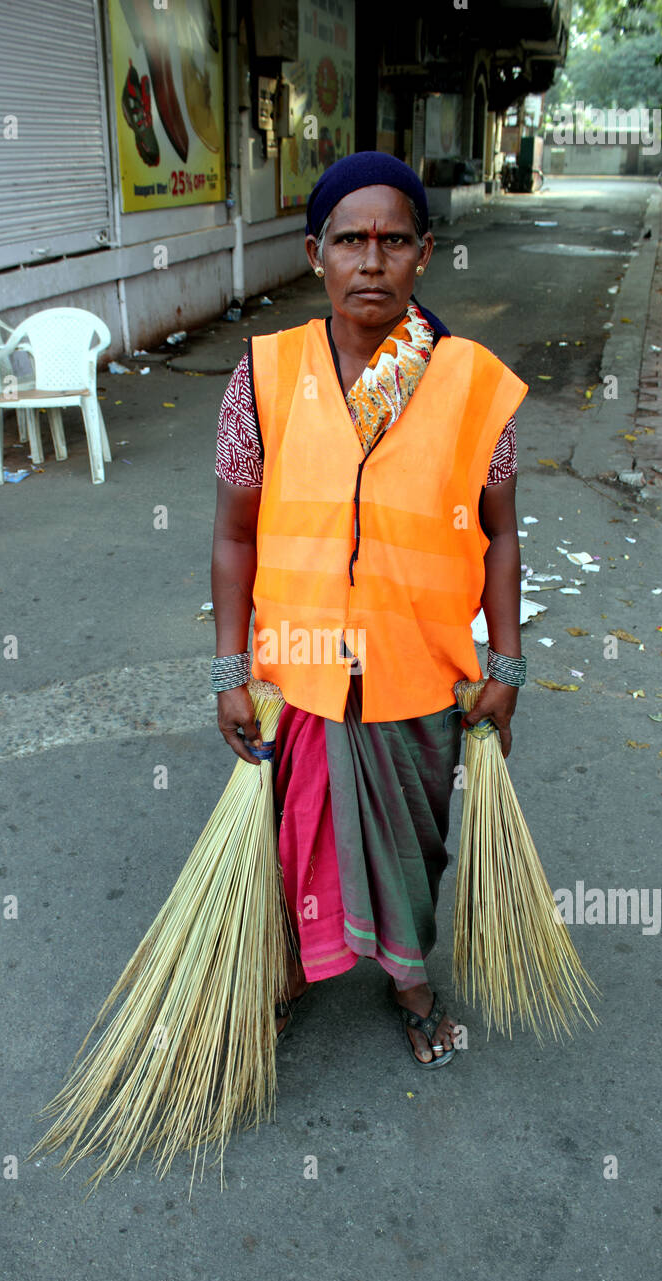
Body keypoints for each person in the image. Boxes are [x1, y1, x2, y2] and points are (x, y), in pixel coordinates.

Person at [210, 151, 528, 1067]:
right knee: (295, 845)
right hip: (301, 682)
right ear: (317, 253)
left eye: (394, 241)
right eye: (351, 239)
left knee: (411, 854)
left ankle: (408, 973)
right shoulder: (263, 378)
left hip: (418, 679)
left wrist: (504, 668)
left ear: (425, 253)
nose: (372, 261)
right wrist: (231, 672)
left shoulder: (470, 384)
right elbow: (235, 536)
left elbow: (503, 536)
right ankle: (293, 970)